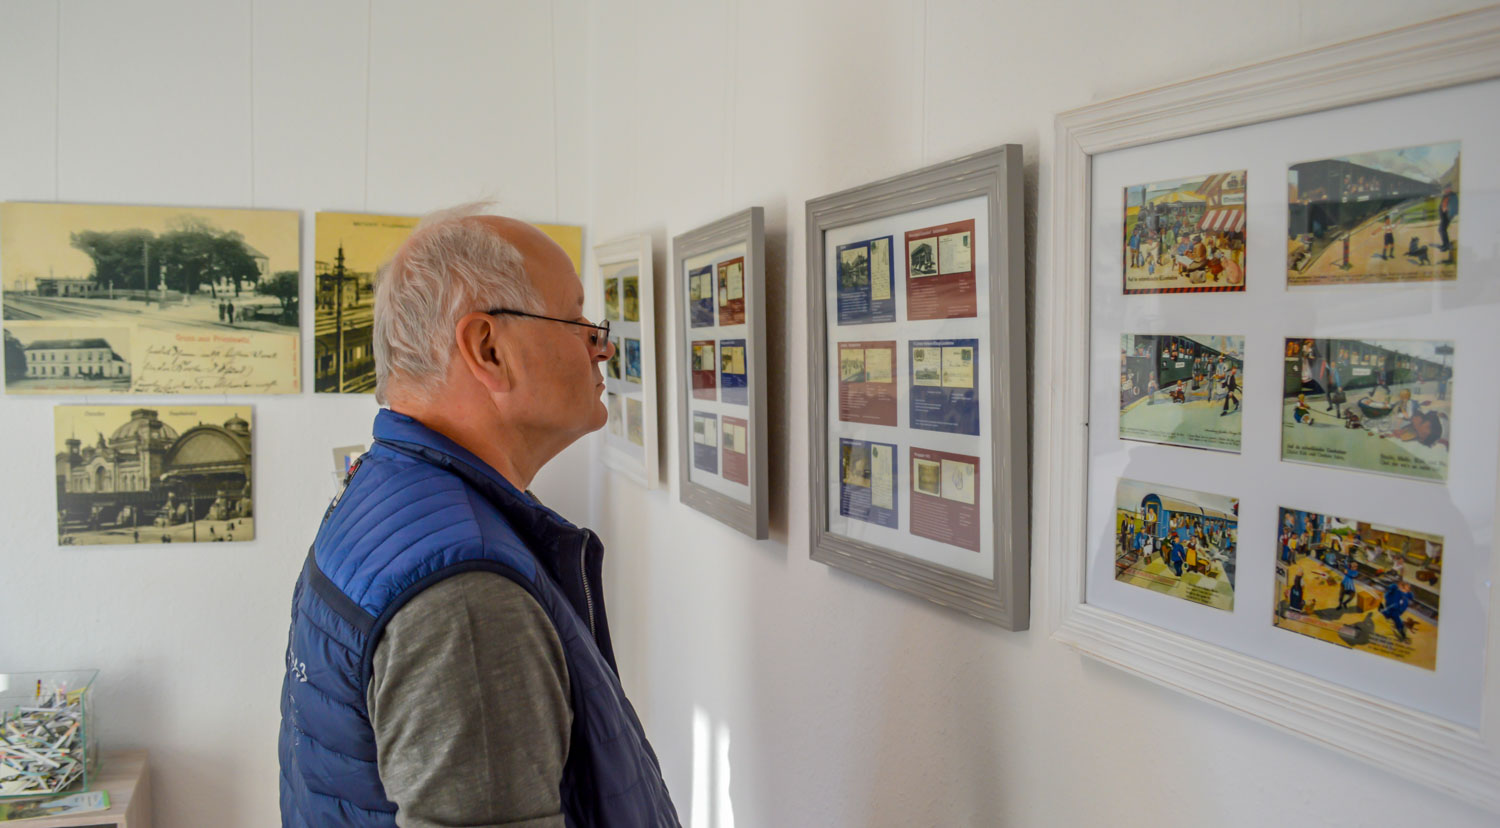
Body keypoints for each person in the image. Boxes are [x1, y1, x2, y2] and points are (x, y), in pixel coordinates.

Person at [278, 204, 679, 827]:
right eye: (576, 320)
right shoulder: (466, 599)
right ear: (488, 348)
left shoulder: (383, 494)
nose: (600, 346)